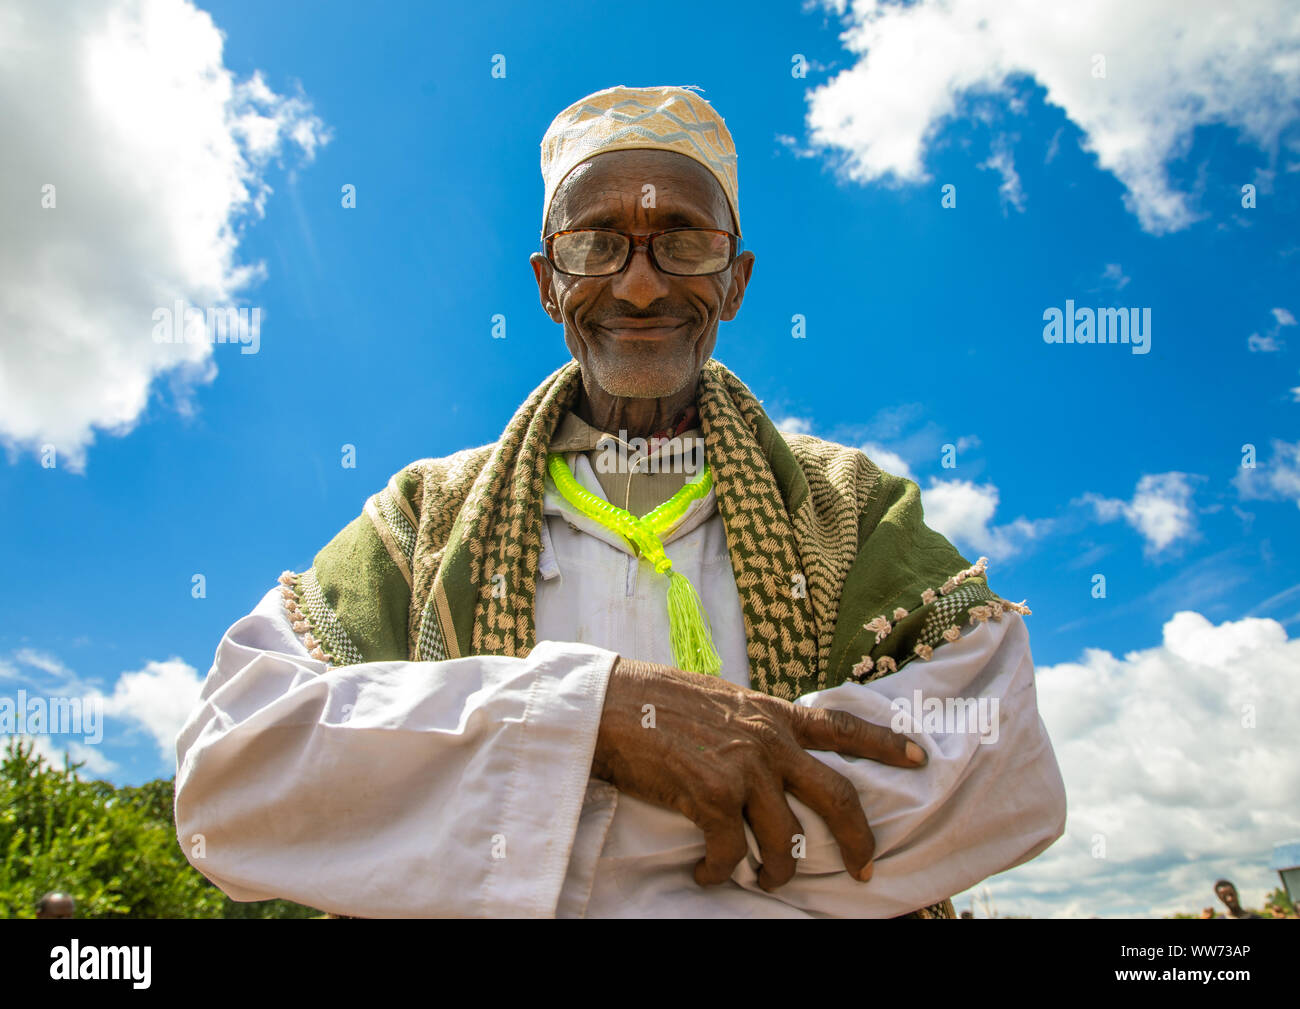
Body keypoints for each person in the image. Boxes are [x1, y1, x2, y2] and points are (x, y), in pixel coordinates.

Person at [174, 84, 1066, 919]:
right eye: (595, 244)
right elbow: (231, 777)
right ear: (547, 283)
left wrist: (481, 810)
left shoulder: (848, 508)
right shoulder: (423, 519)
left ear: (736, 280)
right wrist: (590, 717)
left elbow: (997, 767)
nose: (640, 285)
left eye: (683, 240)